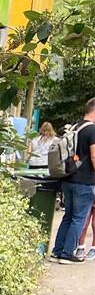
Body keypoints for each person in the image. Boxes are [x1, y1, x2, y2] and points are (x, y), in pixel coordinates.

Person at [50, 99, 95, 263]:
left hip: (68, 178)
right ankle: (68, 253)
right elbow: (94, 156)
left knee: (68, 216)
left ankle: (58, 250)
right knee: (78, 218)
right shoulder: (92, 130)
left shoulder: (75, 127)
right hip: (84, 181)